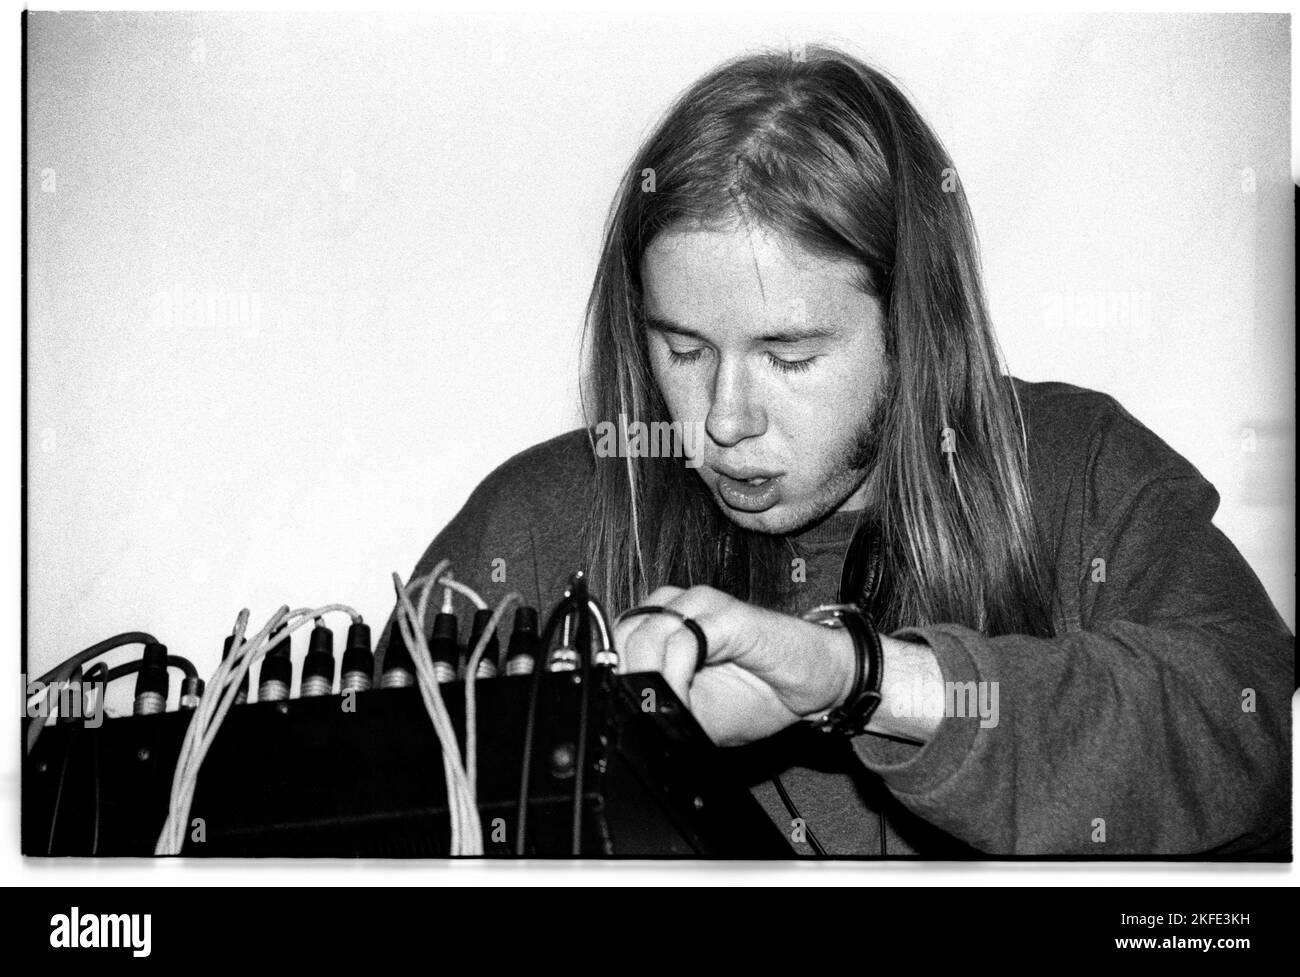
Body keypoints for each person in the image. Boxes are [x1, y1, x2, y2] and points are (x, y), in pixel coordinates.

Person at [378, 46, 1293, 857]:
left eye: (791, 355)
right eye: (684, 350)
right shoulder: (542, 518)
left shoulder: (1076, 470)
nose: (723, 421)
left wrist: (856, 677)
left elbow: (1248, 732)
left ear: (911, 326)